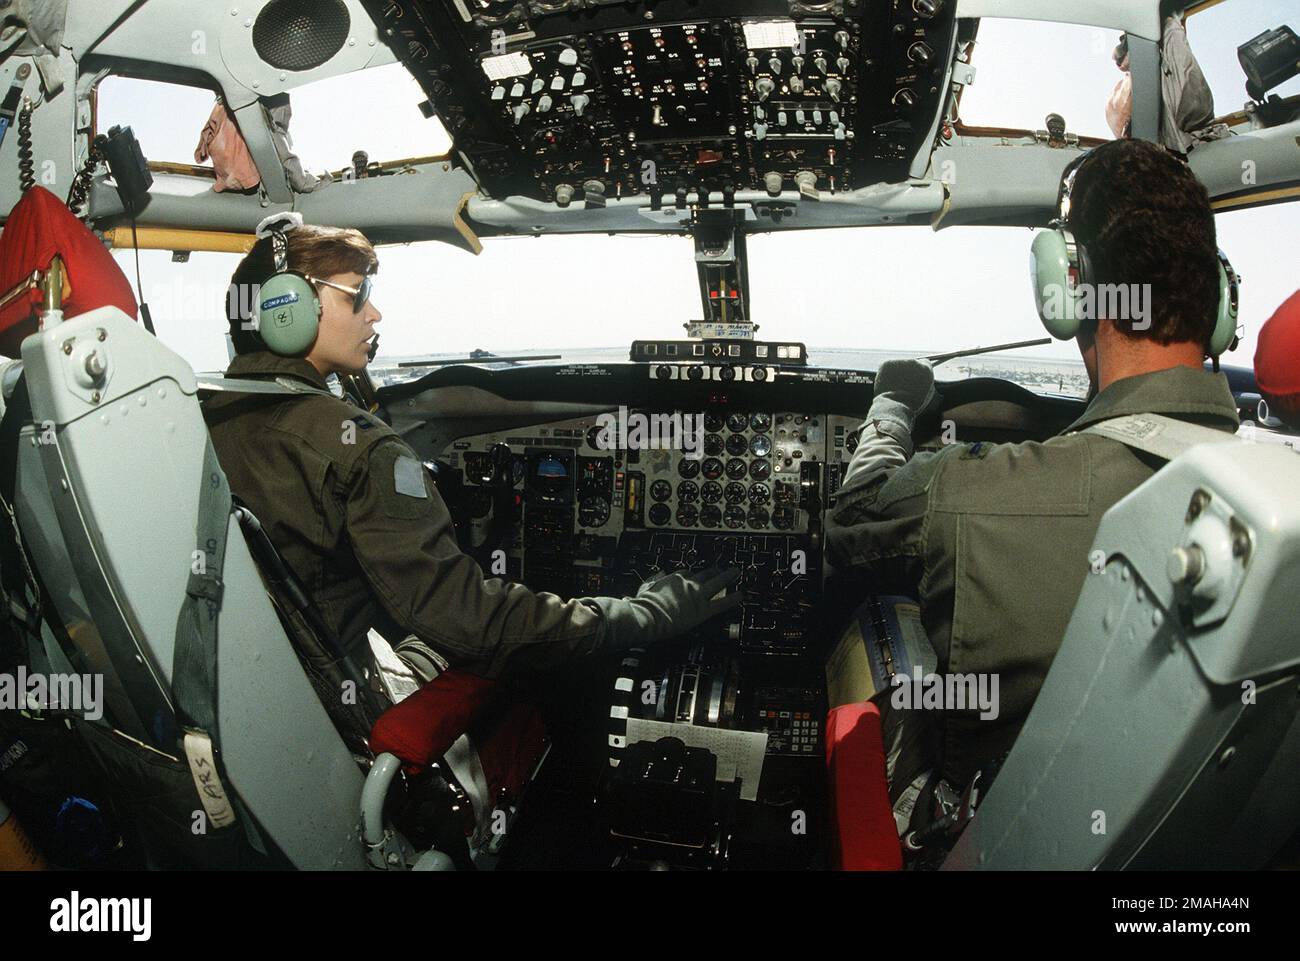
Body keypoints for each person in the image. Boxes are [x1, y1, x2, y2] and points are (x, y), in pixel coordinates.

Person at [825, 138, 1240, 798]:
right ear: (1219, 300)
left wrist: (892, 407)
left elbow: (849, 527)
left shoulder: (970, 497)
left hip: (986, 833)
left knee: (886, 628)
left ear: (1070, 286)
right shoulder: (1279, 498)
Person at [204, 214, 739, 684]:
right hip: (348, 708)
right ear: (287, 309)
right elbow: (473, 623)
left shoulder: (196, 419)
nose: (375, 315)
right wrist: (648, 613)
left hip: (259, 684)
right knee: (539, 684)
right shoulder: (361, 449)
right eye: (356, 294)